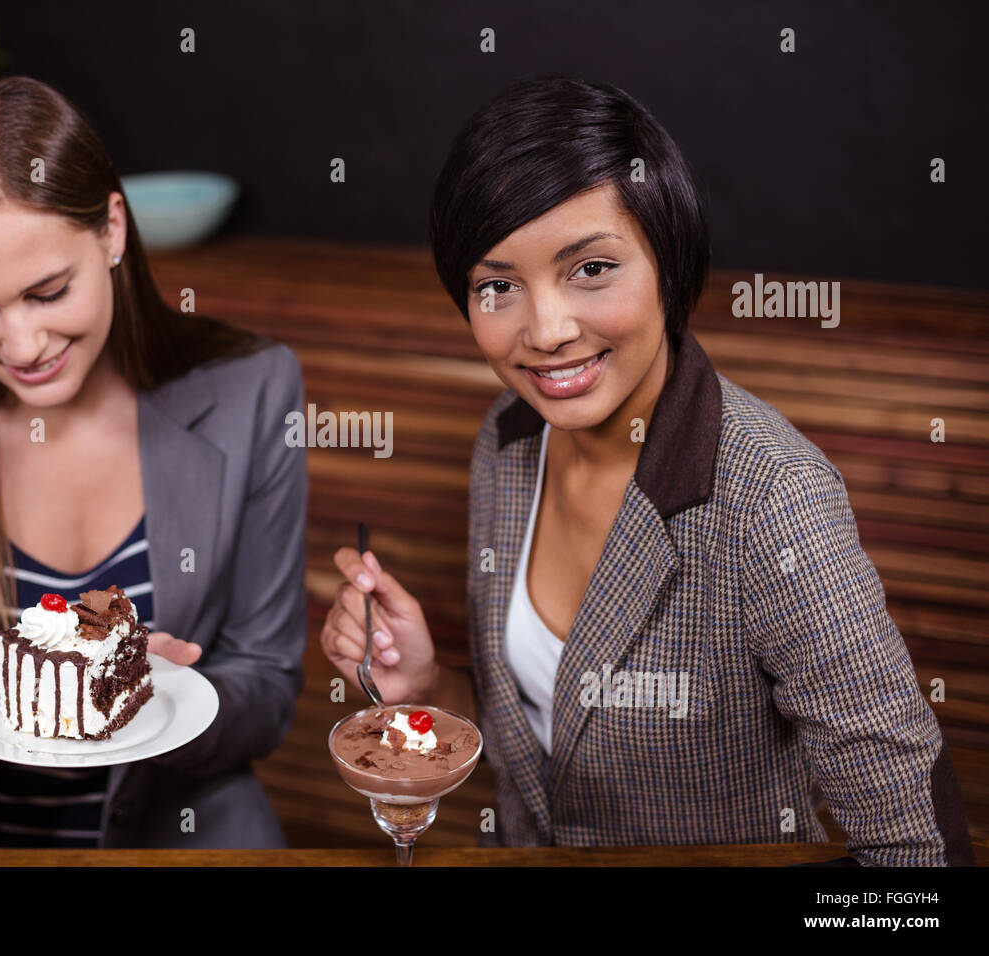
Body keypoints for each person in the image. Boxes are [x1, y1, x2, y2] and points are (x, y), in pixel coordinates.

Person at [320, 74, 972, 865]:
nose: (547, 330)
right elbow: (544, 746)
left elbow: (915, 857)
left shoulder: (772, 500)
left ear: (668, 259)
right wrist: (427, 688)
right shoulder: (509, 437)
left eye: (590, 269)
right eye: (498, 287)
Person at [0, 76, 307, 848]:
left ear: (111, 229)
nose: (25, 345)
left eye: (48, 292)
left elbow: (268, 687)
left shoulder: (252, 392)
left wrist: (164, 696)